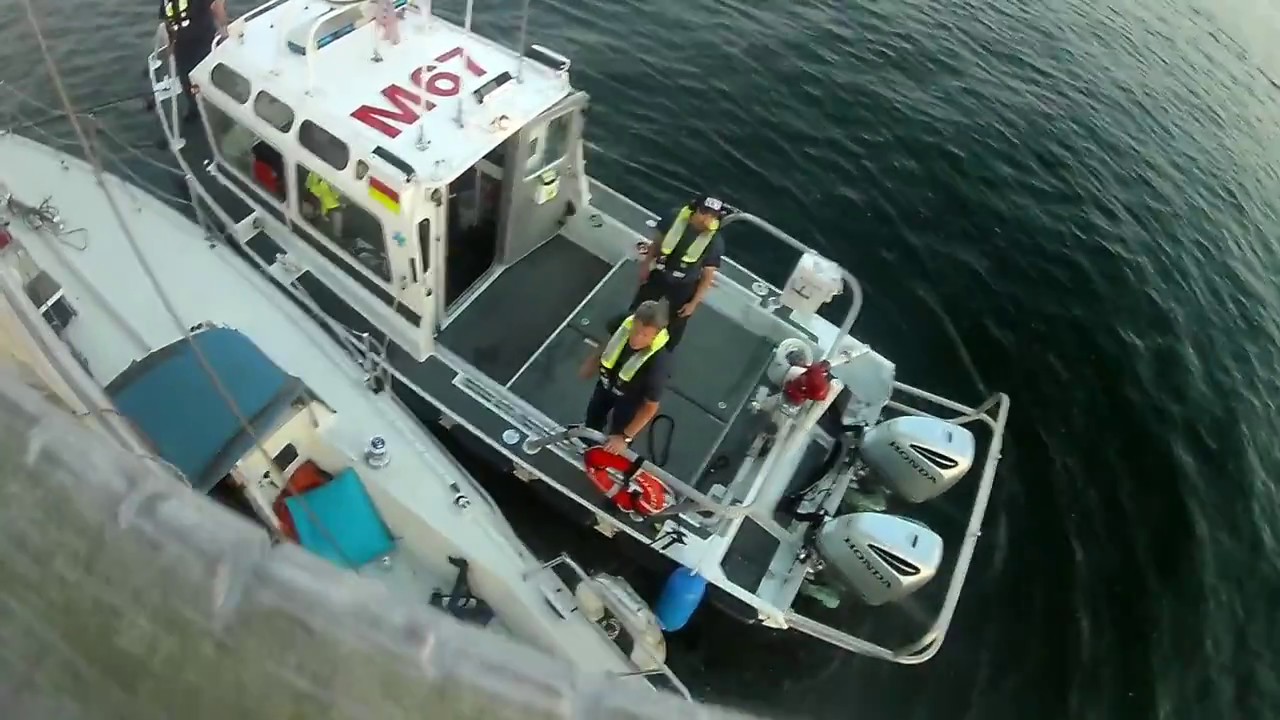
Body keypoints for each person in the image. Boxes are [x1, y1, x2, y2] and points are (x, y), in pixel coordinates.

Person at [633, 194, 727, 349]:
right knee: (641, 305)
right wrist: (645, 266)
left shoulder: (715, 242)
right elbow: (657, 243)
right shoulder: (673, 217)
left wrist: (693, 304)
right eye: (704, 212)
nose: (707, 219)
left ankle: (666, 349)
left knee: (677, 320)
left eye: (712, 215)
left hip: (685, 282)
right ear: (693, 209)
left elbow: (707, 276)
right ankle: (630, 329)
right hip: (660, 271)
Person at [578, 300, 673, 455]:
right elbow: (610, 341)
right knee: (593, 416)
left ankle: (608, 455)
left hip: (631, 398)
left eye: (644, 335)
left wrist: (624, 438)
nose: (636, 338)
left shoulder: (658, 364)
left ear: (654, 336)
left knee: (617, 435)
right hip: (607, 383)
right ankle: (586, 443)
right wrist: (591, 362)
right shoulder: (623, 322)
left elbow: (651, 407)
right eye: (635, 331)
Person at [160, 0, 228, 123]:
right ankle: (205, 108)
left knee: (189, 79)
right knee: (205, 78)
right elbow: (217, 6)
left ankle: (197, 108)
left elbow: (168, 20)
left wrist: (170, 46)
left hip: (188, 43)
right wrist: (224, 29)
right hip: (198, 43)